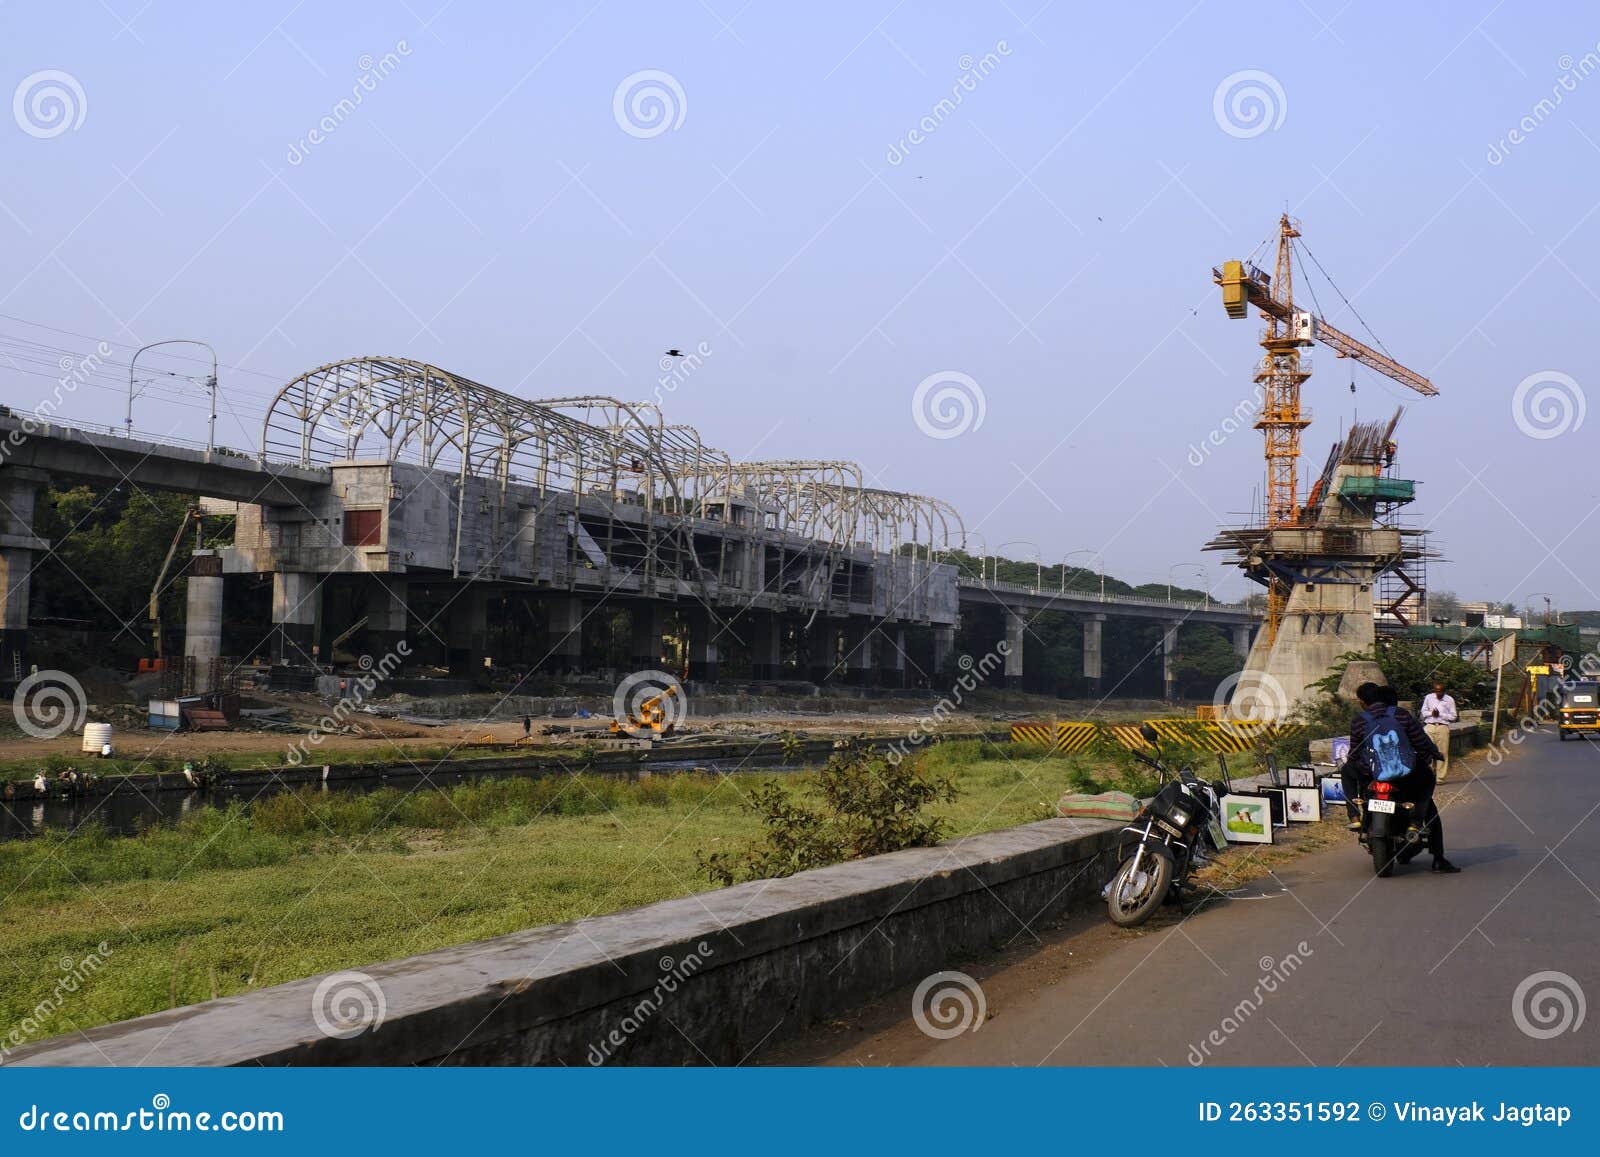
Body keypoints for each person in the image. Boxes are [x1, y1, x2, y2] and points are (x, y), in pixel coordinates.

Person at [1341, 682, 1459, 874]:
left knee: (1346, 771)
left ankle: (1354, 815)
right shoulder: (1401, 715)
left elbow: (1354, 751)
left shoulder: (1359, 720)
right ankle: (1437, 857)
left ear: (1363, 702)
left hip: (1371, 775)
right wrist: (1433, 753)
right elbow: (1420, 740)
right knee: (1428, 795)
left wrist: (1359, 765)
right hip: (1405, 775)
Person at [1419, 680, 1458, 781]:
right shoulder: (1428, 697)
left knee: (1442, 752)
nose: (1438, 693)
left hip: (1442, 726)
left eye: (1440, 691)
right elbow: (1423, 711)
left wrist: (1440, 714)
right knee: (1427, 751)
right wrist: (1431, 713)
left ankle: (1440, 777)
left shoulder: (1449, 700)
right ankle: (1429, 775)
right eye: (1436, 691)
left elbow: (1453, 716)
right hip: (1430, 725)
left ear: (1444, 691)